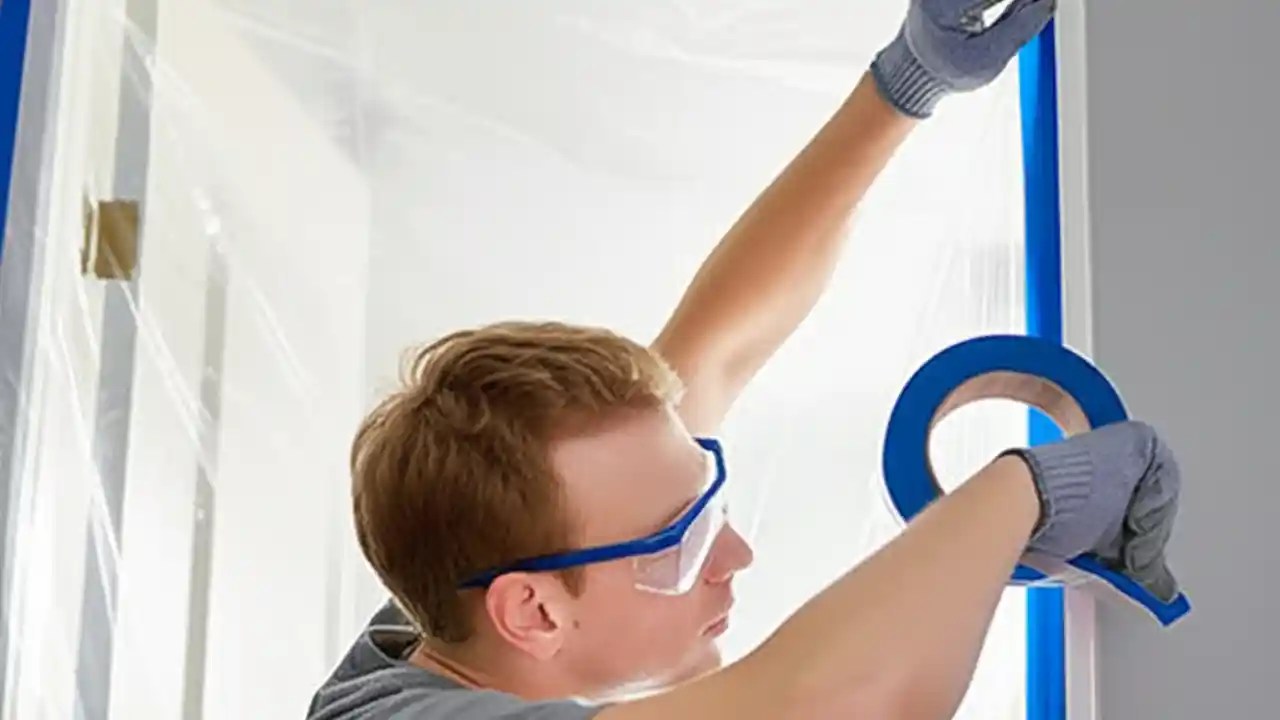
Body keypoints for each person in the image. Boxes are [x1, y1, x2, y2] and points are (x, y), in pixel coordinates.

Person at [309, 0, 1183, 718]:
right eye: (683, 546)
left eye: (708, 502)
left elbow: (717, 349)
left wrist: (906, 85)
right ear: (532, 612)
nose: (737, 556)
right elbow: (837, 704)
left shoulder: (461, 602)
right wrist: (1025, 489)